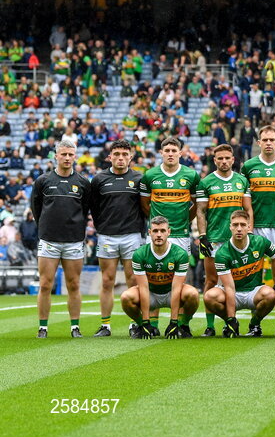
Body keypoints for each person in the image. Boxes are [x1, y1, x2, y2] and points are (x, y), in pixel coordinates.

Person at [31, 139, 92, 338]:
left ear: (75, 156)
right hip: (49, 240)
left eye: (70, 154)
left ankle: (75, 326)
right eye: (63, 154)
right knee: (45, 284)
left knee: (73, 284)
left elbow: (85, 210)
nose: (67, 158)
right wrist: (46, 228)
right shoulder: (43, 181)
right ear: (56, 156)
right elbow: (36, 209)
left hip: (74, 241)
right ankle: (43, 327)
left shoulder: (83, 183)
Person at [242, 124, 275, 335]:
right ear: (258, 143)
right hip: (255, 228)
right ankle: (255, 322)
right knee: (254, 274)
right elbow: (245, 201)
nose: (267, 143)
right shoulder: (248, 166)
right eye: (264, 140)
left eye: (271, 140)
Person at [89, 138, 145, 337]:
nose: (121, 158)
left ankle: (134, 323)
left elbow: (144, 207)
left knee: (133, 280)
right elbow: (94, 208)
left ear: (131, 157)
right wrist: (102, 227)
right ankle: (105, 325)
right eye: (117, 154)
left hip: (132, 236)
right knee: (107, 281)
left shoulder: (139, 179)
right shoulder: (98, 180)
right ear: (110, 157)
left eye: (125, 155)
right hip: (107, 237)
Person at [196, 143, 253, 337]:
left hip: (238, 241)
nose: (223, 161)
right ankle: (210, 326)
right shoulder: (206, 182)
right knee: (211, 280)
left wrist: (250, 232)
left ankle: (246, 324)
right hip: (215, 239)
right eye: (219, 158)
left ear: (233, 159)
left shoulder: (241, 181)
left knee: (241, 281)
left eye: (227, 158)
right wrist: (202, 236)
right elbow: (201, 211)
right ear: (214, 161)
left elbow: (248, 209)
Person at [205, 210, 275, 337]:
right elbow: (229, 287)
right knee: (210, 297)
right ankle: (230, 323)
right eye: (235, 225)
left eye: (242, 225)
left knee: (270, 294)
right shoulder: (222, 253)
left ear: (249, 227)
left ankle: (255, 324)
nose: (239, 229)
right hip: (232, 293)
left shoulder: (260, 242)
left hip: (254, 291)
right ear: (230, 227)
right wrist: (231, 318)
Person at [121, 216, 199, 339]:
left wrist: (173, 321)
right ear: (149, 232)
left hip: (171, 293)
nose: (159, 234)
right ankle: (142, 325)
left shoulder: (180, 254)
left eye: (162, 231)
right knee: (126, 297)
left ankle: (183, 325)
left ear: (169, 232)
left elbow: (177, 288)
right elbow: (143, 288)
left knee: (193, 294)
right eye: (155, 231)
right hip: (150, 293)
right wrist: (146, 321)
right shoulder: (139, 254)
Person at [140, 137, 200, 257]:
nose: (170, 154)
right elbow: (144, 205)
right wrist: (156, 222)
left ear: (180, 153)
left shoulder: (191, 175)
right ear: (161, 153)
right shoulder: (150, 175)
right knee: (154, 273)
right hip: (156, 233)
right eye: (167, 151)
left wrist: (186, 219)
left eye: (174, 150)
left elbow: (197, 204)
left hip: (181, 233)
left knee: (180, 273)